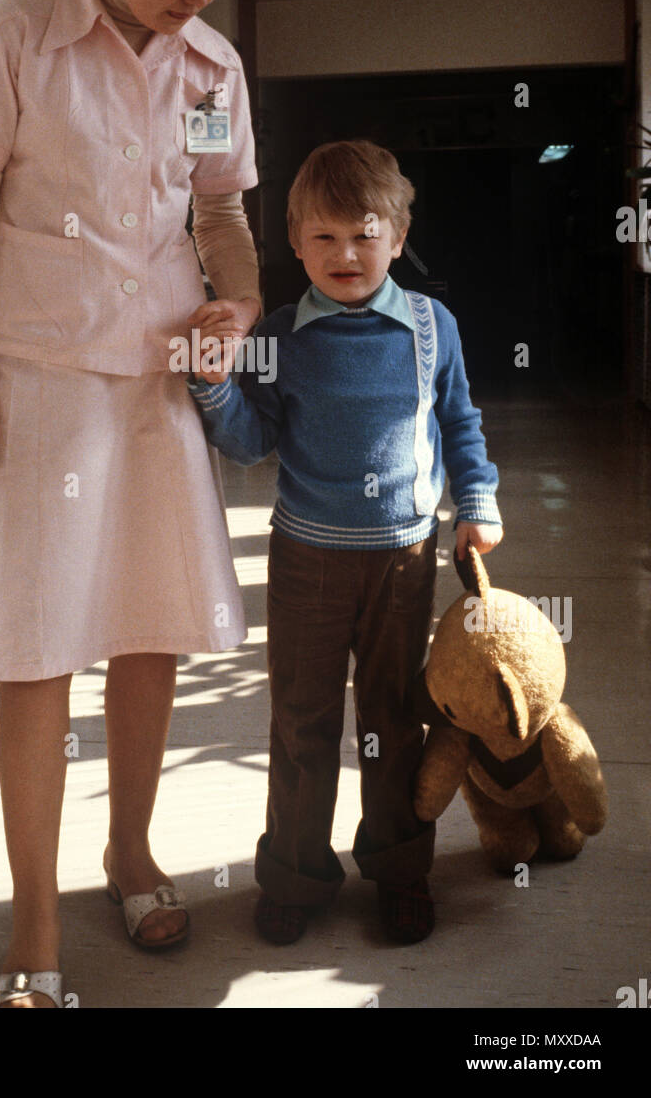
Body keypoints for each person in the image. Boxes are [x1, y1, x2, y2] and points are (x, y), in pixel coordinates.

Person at [0, 0, 262, 1006]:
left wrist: (243, 298)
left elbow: (219, 211)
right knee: (36, 643)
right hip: (40, 377)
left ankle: (131, 850)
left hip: (158, 378)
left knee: (149, 625)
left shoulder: (211, 68)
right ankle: (32, 923)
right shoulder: (17, 39)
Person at [186, 139, 504, 945]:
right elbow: (253, 441)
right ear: (293, 243)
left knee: (395, 720)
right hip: (305, 563)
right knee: (301, 720)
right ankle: (296, 875)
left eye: (365, 234)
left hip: (405, 560)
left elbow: (461, 425)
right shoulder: (284, 334)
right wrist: (214, 386)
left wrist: (477, 500)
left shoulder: (434, 329)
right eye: (323, 238)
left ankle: (400, 872)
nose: (346, 254)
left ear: (398, 235)